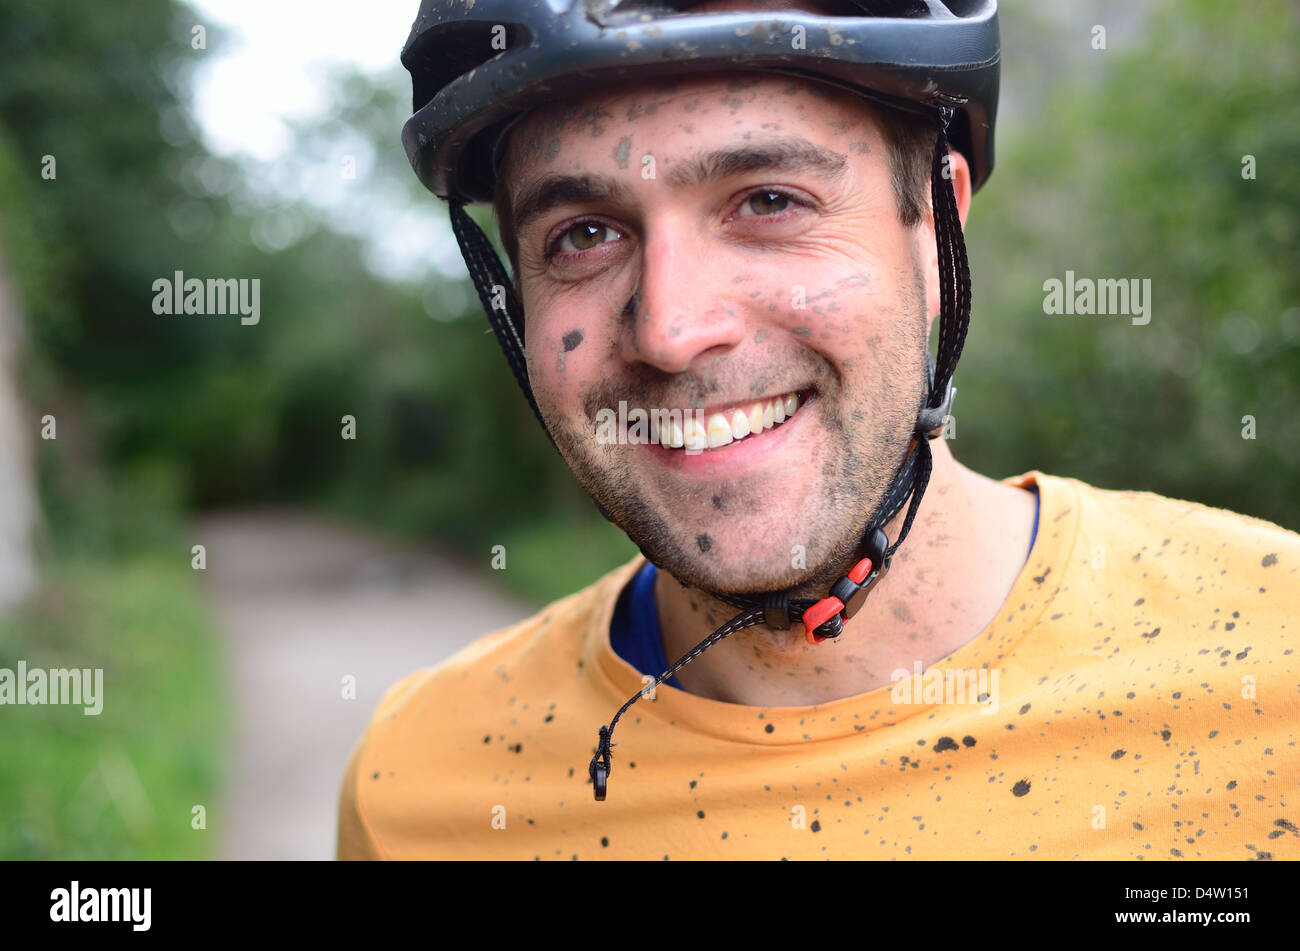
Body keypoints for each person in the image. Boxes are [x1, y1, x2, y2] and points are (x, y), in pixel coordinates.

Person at [338, 0, 1299, 860]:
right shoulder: (419, 791)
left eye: (769, 201)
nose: (672, 330)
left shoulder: (1269, 662)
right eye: (585, 234)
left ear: (935, 226)